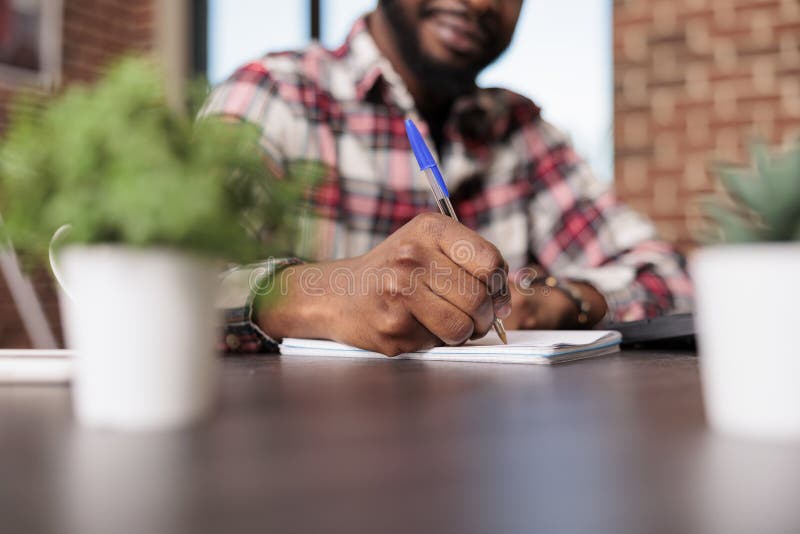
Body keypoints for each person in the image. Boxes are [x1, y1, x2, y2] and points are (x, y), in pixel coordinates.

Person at [202, 0, 693, 356]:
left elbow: (671, 280)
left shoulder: (522, 134)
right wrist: (321, 294)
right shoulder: (274, 96)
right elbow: (169, 290)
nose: (481, 3)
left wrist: (562, 300)